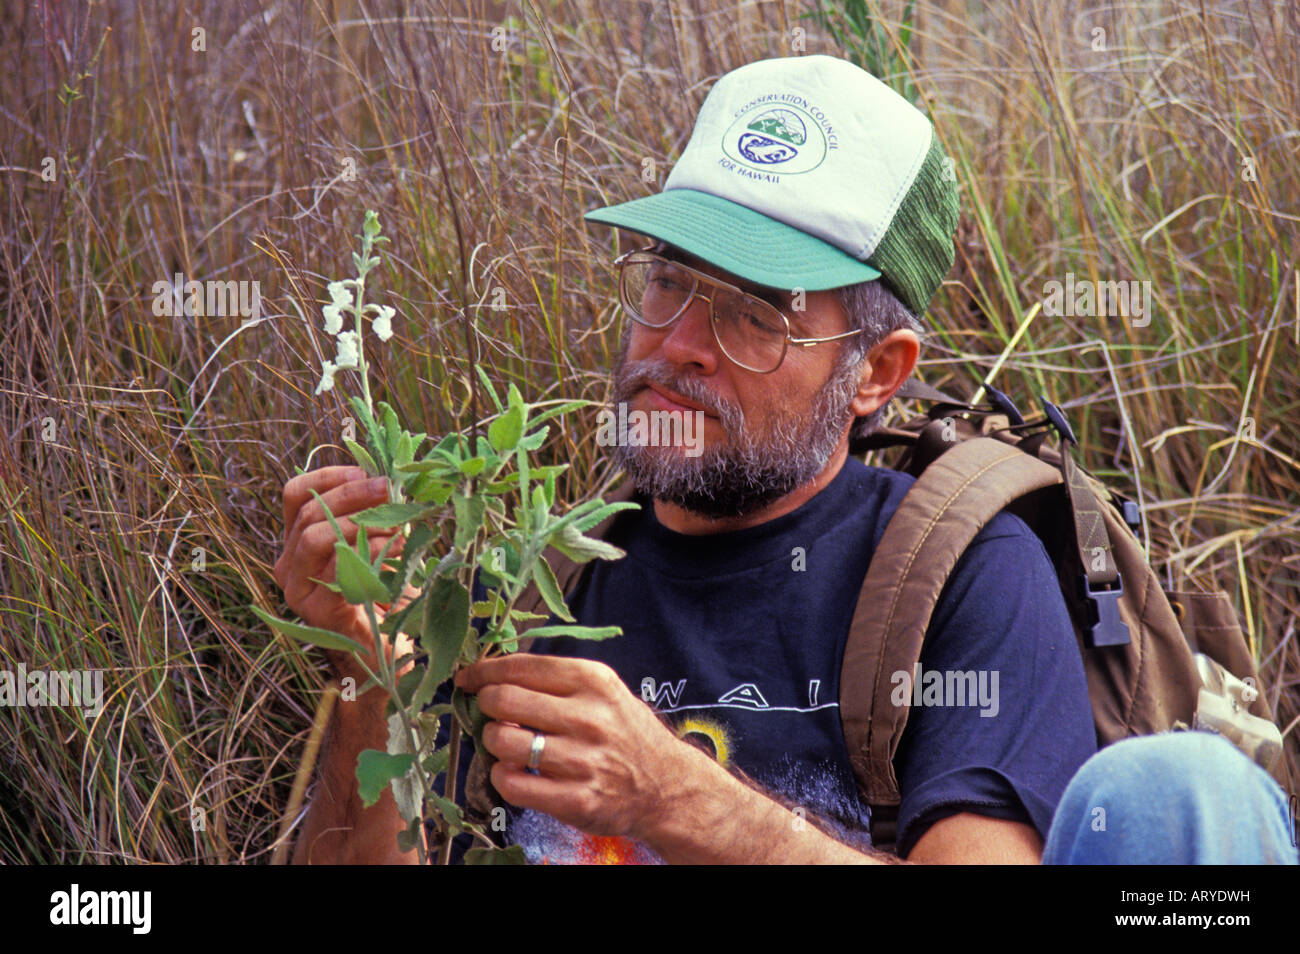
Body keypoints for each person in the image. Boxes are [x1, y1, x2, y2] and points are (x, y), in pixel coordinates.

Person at [276, 55, 1298, 865]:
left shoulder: (958, 569)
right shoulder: (534, 573)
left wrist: (676, 800)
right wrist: (374, 672)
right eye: (669, 282)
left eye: (755, 314)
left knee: (1179, 795)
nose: (676, 342)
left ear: (874, 372)